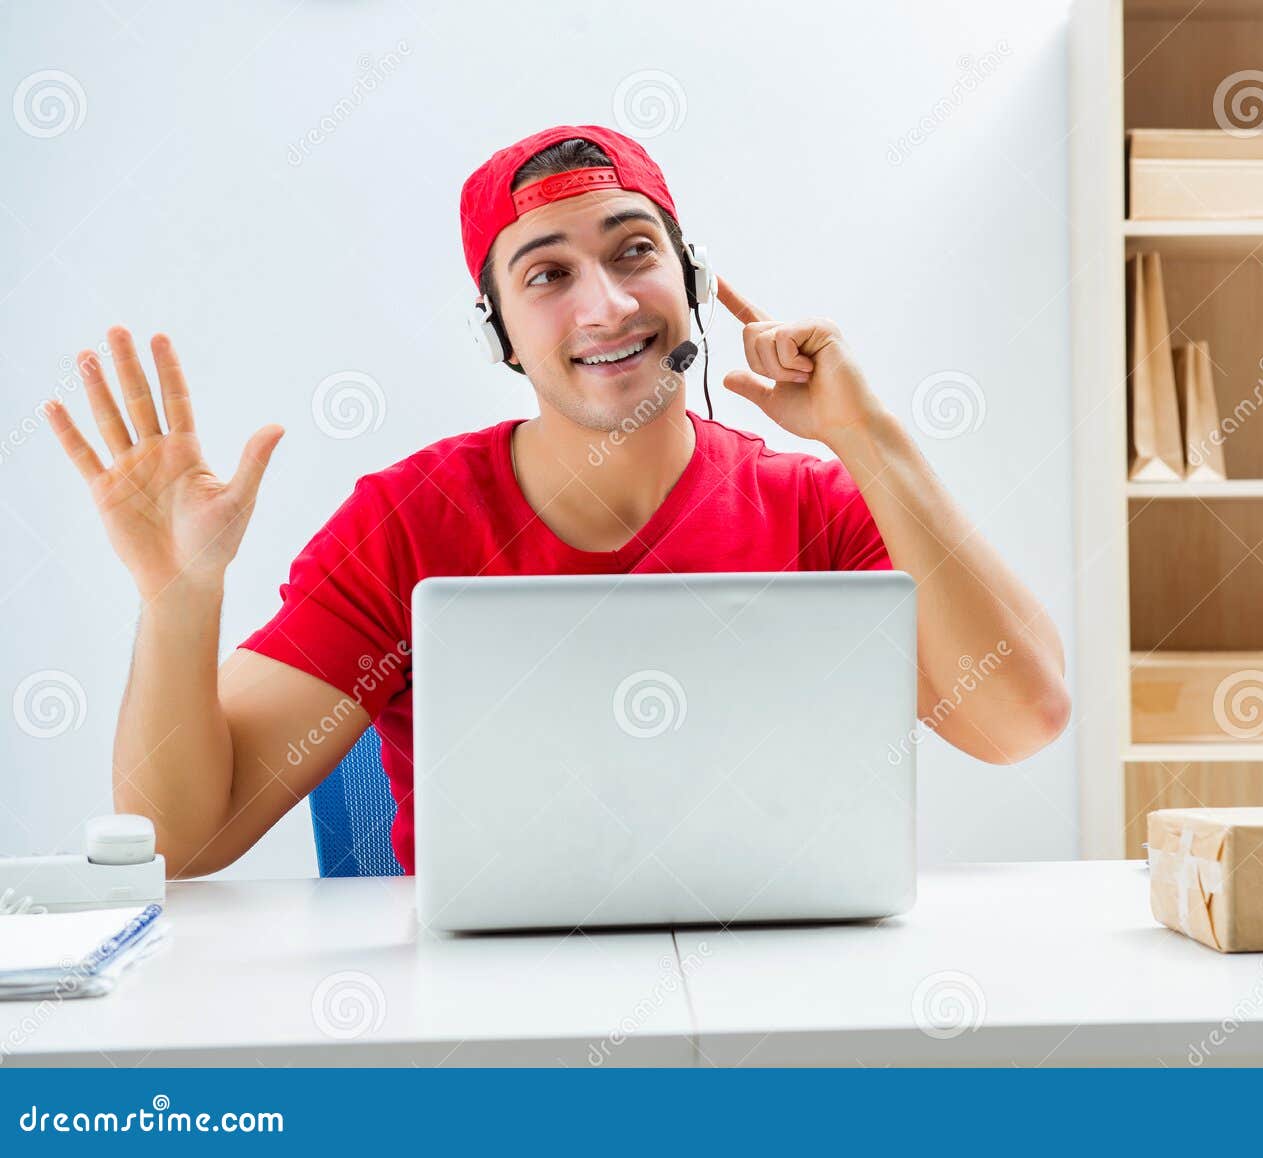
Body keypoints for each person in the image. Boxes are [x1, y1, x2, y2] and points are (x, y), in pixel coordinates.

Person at [44, 124, 1071, 879]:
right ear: (499, 333)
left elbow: (1019, 720)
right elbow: (181, 841)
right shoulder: (411, 523)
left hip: (782, 996)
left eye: (633, 251)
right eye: (548, 274)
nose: (606, 305)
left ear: (692, 281)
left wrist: (870, 438)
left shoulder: (817, 505)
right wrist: (177, 598)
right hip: (474, 1021)